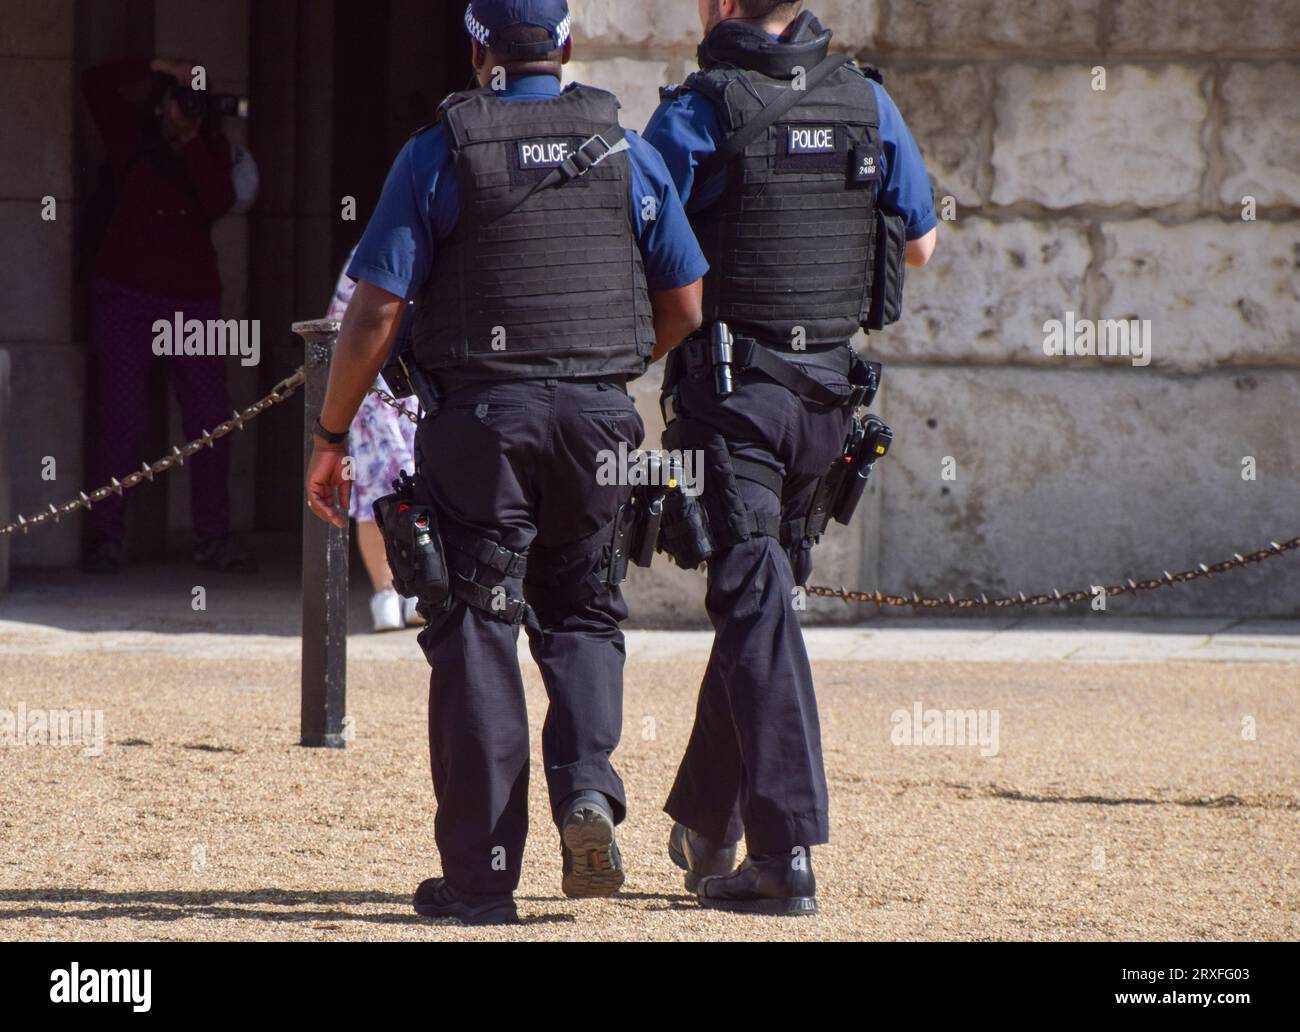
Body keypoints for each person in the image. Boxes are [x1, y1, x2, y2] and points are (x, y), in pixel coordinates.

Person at [304, 0, 707, 925]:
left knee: (478, 627)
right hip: (599, 422)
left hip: (480, 422)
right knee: (583, 610)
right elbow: (685, 301)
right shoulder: (626, 149)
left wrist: (331, 439)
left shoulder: (440, 150)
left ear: (478, 46)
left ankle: (483, 881)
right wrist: (604, 370)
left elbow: (371, 315)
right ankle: (588, 795)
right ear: (565, 44)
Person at [642, 0, 938, 914]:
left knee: (755, 603)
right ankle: (704, 819)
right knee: (760, 605)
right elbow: (921, 244)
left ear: (722, 6)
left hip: (737, 404)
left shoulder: (699, 108)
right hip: (829, 407)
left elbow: (642, 247)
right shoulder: (867, 101)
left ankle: (783, 856)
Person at [80, 56, 255, 574]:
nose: (186, 107)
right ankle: (106, 536)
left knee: (209, 419)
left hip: (191, 299)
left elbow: (219, 201)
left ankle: (212, 537)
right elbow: (95, 81)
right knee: (121, 419)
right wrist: (159, 66)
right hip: (125, 295)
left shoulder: (215, 150)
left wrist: (191, 137)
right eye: (180, 98)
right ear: (160, 103)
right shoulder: (132, 138)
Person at [323, 252, 423, 633]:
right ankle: (392, 593)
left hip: (391, 384)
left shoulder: (373, 245)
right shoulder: (382, 247)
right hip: (381, 385)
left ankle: (402, 593)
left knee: (388, 488)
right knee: (385, 489)